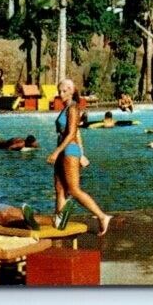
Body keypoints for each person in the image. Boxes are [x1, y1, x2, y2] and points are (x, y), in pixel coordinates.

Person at [49, 78, 112, 236]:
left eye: (64, 91)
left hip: (69, 150)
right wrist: (82, 154)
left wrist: (58, 152)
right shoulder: (65, 109)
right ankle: (59, 222)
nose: (61, 94)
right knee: (59, 189)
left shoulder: (73, 108)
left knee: (74, 189)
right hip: (64, 150)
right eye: (59, 91)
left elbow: (71, 134)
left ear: (71, 90)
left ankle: (102, 216)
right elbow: (77, 132)